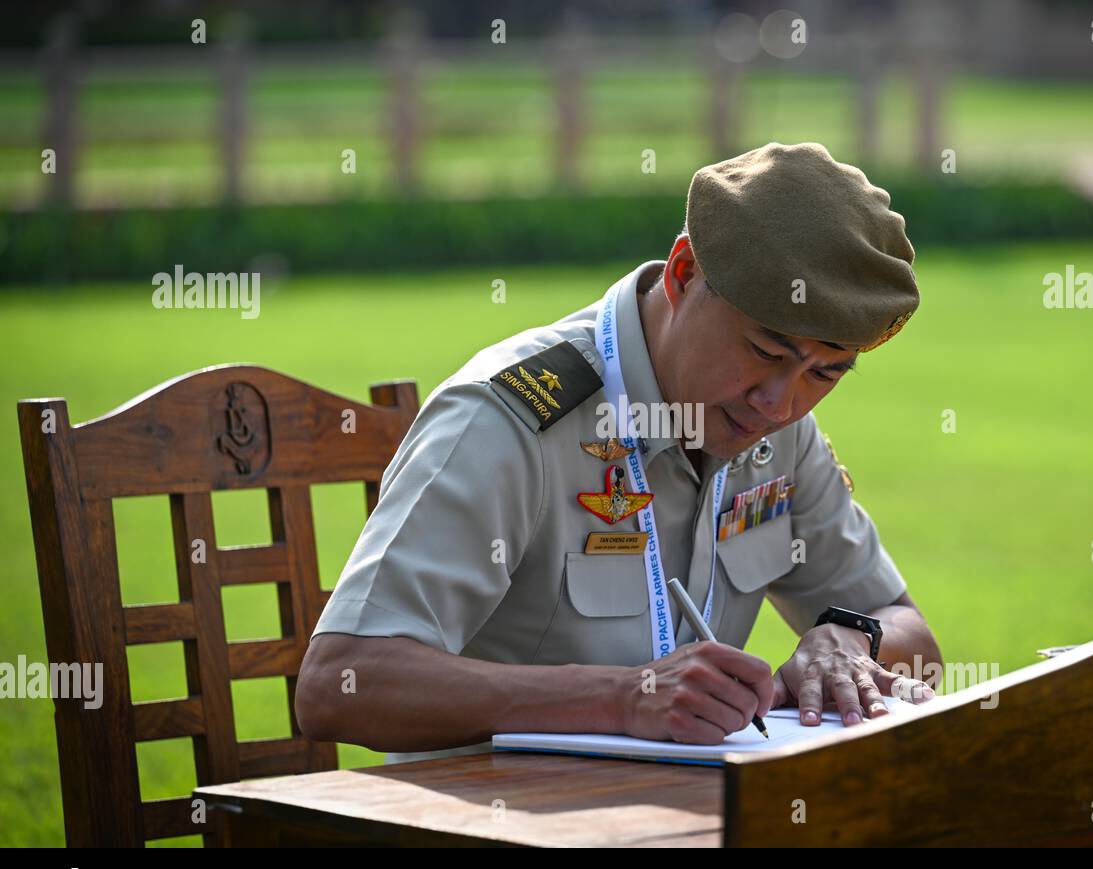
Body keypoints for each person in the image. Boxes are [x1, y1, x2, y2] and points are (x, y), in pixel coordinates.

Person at [296, 141, 943, 761]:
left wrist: (852, 638)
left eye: (825, 375)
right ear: (685, 273)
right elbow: (342, 681)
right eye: (766, 352)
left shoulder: (780, 436)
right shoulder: (511, 418)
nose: (779, 404)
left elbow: (917, 644)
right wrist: (620, 698)